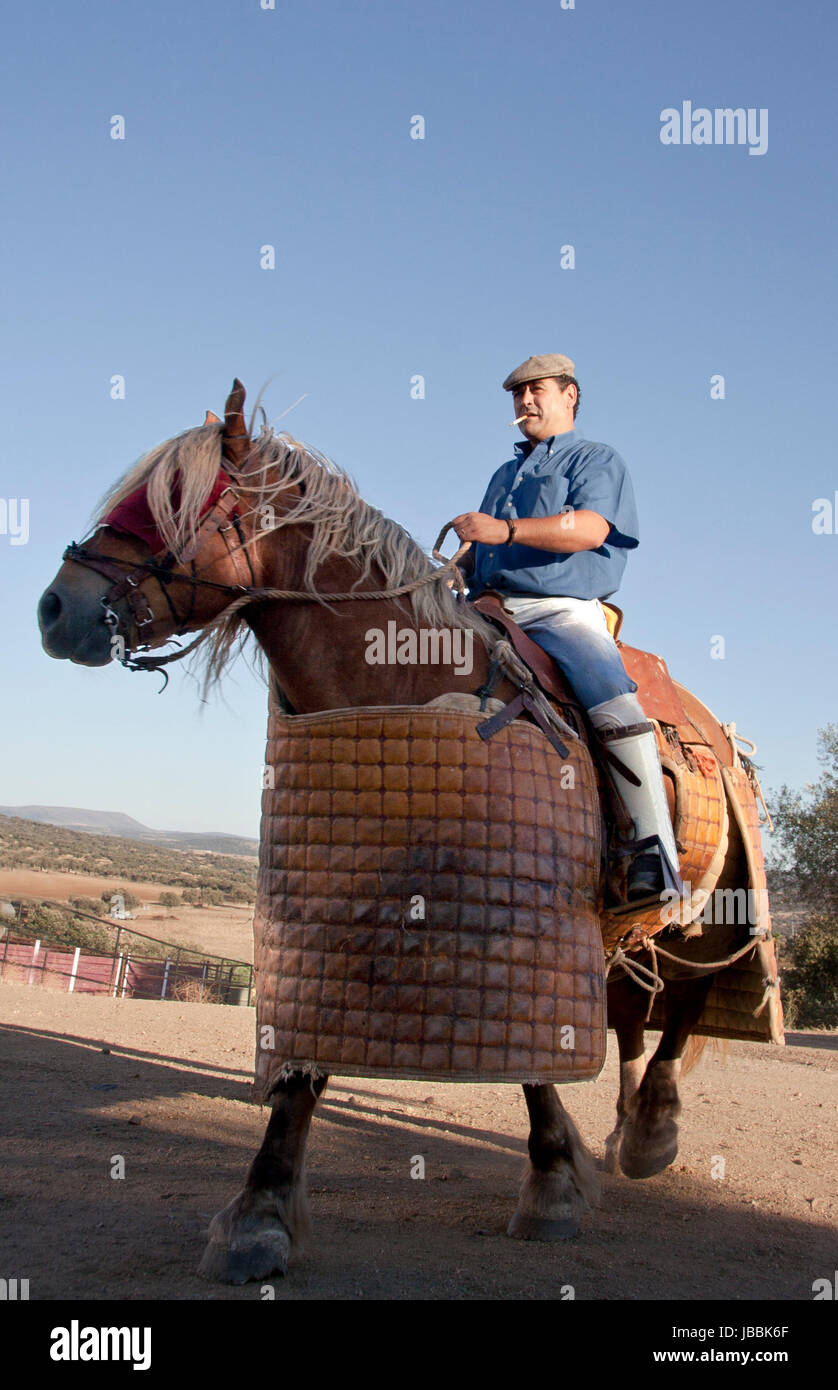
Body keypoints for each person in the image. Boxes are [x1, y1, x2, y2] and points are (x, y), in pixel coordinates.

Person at [451, 353, 683, 904]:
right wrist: (453, 568)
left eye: (537, 390)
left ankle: (655, 853)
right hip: (486, 607)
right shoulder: (503, 474)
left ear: (570, 395)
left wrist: (503, 530)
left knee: (611, 694)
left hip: (559, 607)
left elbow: (588, 529)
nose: (525, 401)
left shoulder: (596, 459)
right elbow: (480, 551)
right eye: (517, 394)